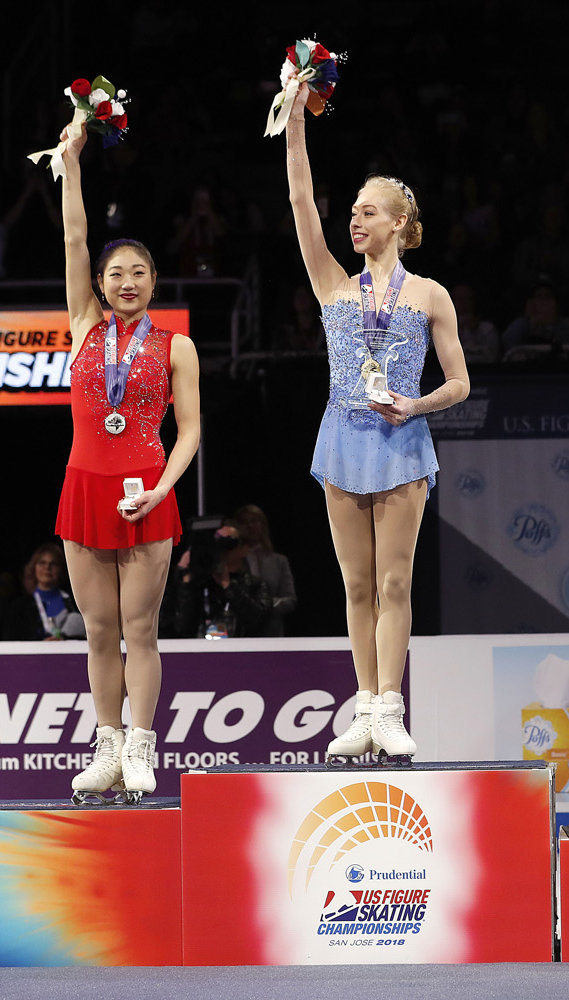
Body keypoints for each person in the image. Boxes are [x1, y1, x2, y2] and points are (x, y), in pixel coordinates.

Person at [283, 81, 469, 763]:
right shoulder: (333, 283)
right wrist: (296, 119)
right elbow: (302, 200)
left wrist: (414, 405)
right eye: (353, 212)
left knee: (394, 583)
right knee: (354, 585)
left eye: (368, 212)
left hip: (399, 441)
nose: (354, 221)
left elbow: (459, 382)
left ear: (397, 222)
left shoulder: (429, 295)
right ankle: (362, 707)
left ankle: (390, 705)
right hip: (340, 438)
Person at [54, 115, 201, 803]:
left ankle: (142, 748)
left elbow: (190, 434)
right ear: (102, 284)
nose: (127, 281)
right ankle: (106, 747)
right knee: (98, 631)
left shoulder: (175, 346)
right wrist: (73, 160)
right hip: (84, 487)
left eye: (139, 272)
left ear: (153, 280)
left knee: (141, 630)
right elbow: (74, 236)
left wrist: (159, 490)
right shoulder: (83, 327)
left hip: (148, 488)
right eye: (117, 273)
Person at [168, 520, 275, 639]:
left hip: (242, 652)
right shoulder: (200, 584)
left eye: (229, 543)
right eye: (216, 542)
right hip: (202, 652)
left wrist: (228, 586)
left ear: (244, 549)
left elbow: (258, 622)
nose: (222, 550)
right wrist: (186, 580)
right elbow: (180, 626)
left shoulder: (256, 585)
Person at [233, 503, 298, 636]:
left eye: (254, 521)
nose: (250, 527)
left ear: (263, 525)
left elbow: (290, 599)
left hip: (271, 633)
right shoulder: (233, 560)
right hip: (240, 633)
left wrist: (263, 608)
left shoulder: (279, 561)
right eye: (245, 522)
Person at [8, 543, 86, 641]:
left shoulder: (77, 602)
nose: (47, 567)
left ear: (62, 569)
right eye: (42, 562)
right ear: (34, 568)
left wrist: (64, 639)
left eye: (53, 563)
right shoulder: (19, 607)